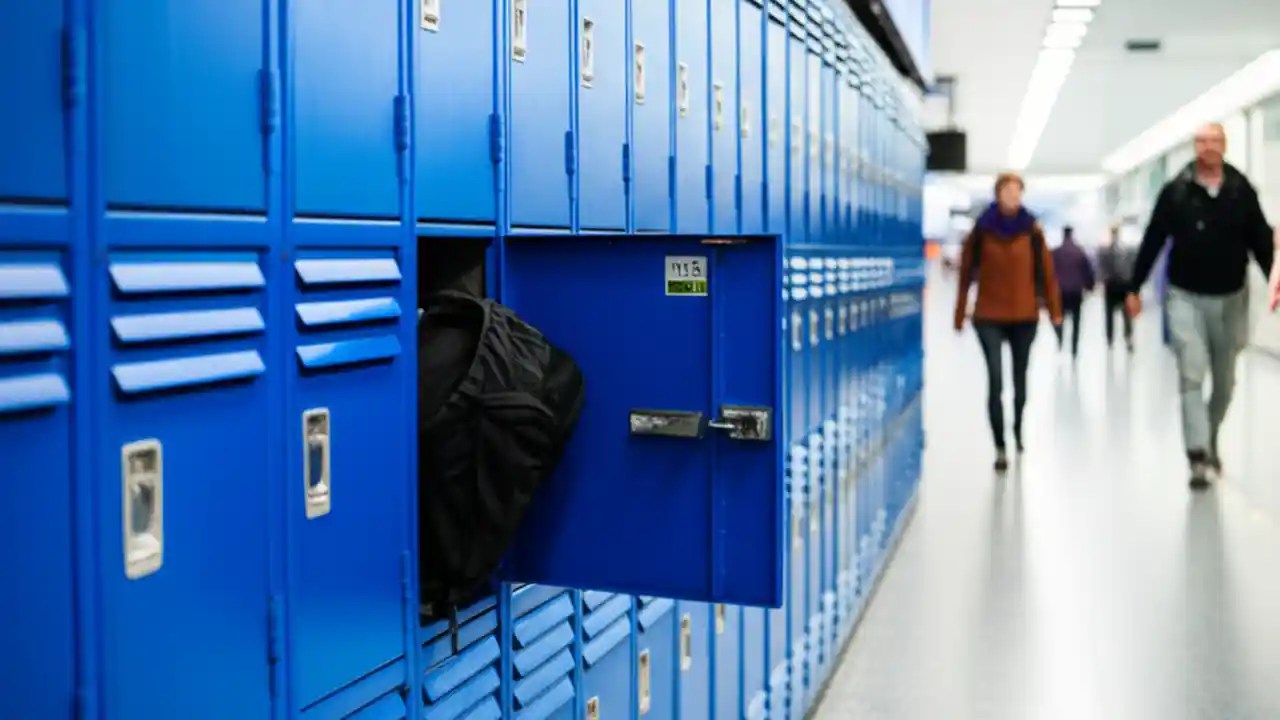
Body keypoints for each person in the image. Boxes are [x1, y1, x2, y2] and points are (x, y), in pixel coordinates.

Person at [1127, 122, 1280, 489]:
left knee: (1225, 383)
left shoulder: (1241, 190)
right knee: (1191, 372)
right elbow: (1152, 239)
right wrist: (1134, 287)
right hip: (1184, 296)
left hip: (1231, 298)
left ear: (1224, 145)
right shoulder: (1175, 192)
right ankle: (1196, 455)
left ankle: (1209, 437)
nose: (1208, 147)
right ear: (1194, 146)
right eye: (1201, 141)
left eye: (1215, 140)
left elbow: (1260, 240)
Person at [955, 173, 1063, 472]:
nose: (1013, 196)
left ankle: (1018, 427)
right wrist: (959, 311)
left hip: (1024, 316)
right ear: (998, 193)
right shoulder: (982, 230)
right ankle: (1000, 445)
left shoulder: (1032, 230)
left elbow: (1046, 273)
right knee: (995, 379)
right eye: (1007, 191)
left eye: (1018, 191)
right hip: (988, 315)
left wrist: (1055, 311)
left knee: (1020, 381)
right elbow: (966, 272)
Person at [1050, 226, 1095, 358]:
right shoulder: (1079, 252)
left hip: (1060, 291)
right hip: (1076, 291)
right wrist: (1089, 286)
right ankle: (1074, 348)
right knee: (1076, 321)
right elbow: (1087, 270)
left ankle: (1060, 340)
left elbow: (1049, 272)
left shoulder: (1056, 252)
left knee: (1059, 318)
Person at [1097, 224, 1137, 351]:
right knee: (1126, 314)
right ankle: (1127, 337)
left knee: (1110, 314)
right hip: (1123, 285)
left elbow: (1102, 269)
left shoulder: (1106, 251)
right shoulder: (1126, 250)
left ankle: (1110, 339)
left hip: (1111, 286)